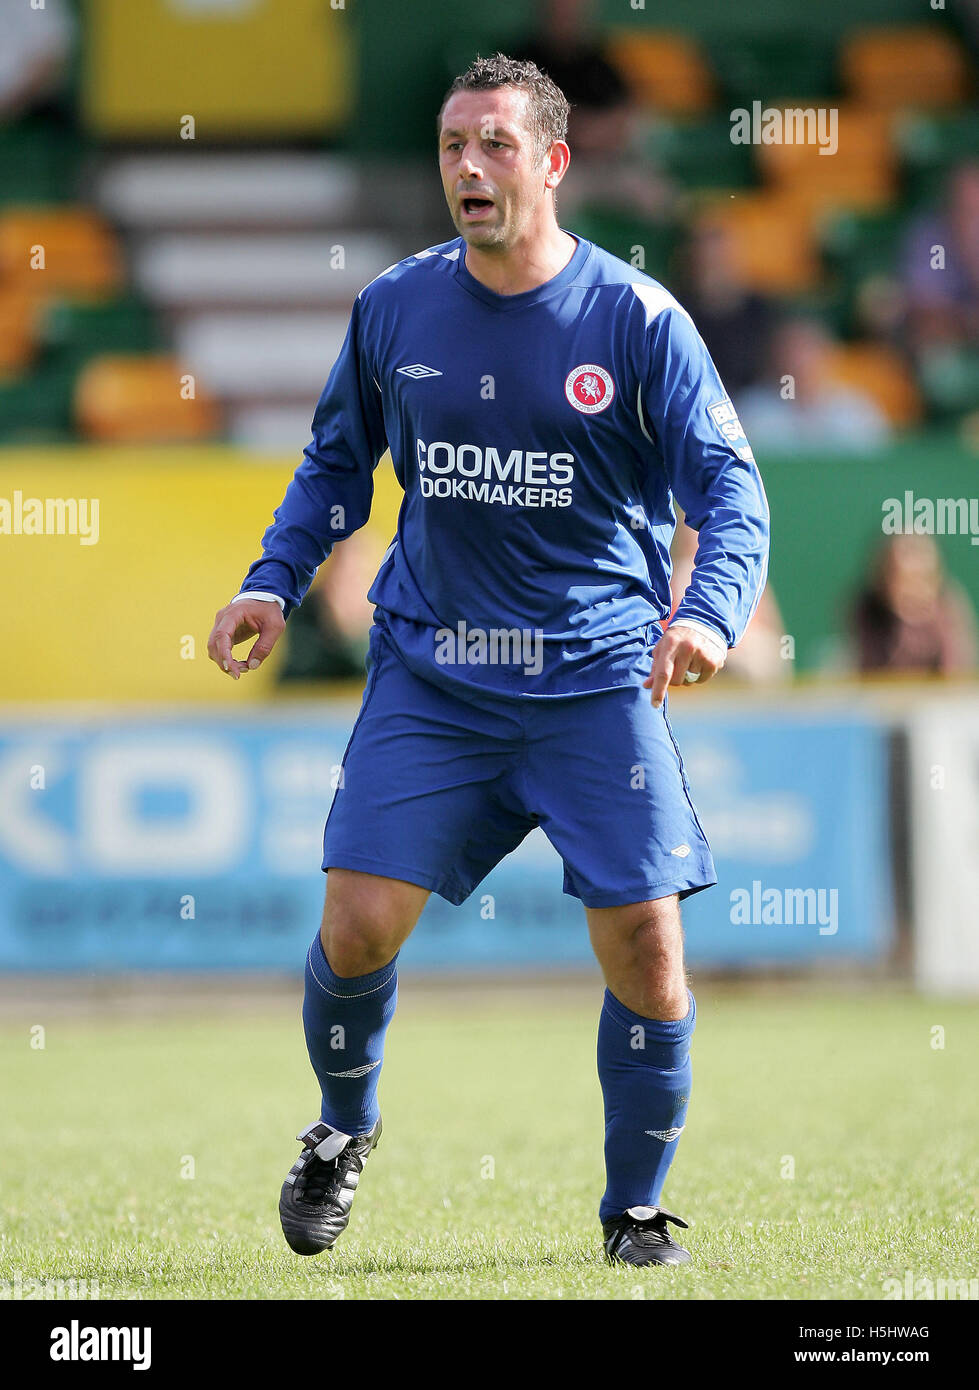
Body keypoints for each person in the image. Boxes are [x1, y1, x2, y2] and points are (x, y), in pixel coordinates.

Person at [207, 54, 769, 1269]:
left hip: (590, 681)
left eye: (495, 145)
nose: (468, 166)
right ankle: (342, 1128)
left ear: (553, 163)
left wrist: (710, 613)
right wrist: (272, 576)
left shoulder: (634, 318)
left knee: (649, 951)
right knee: (356, 925)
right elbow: (332, 464)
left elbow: (729, 484)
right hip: (436, 675)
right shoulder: (397, 307)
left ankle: (633, 1209)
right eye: (454, 145)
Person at [850, 533, 977, 676]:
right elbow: (871, 674)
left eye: (923, 579)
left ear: (937, 579)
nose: (913, 590)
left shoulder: (948, 608)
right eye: (903, 580)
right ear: (884, 580)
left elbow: (957, 671)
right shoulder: (868, 610)